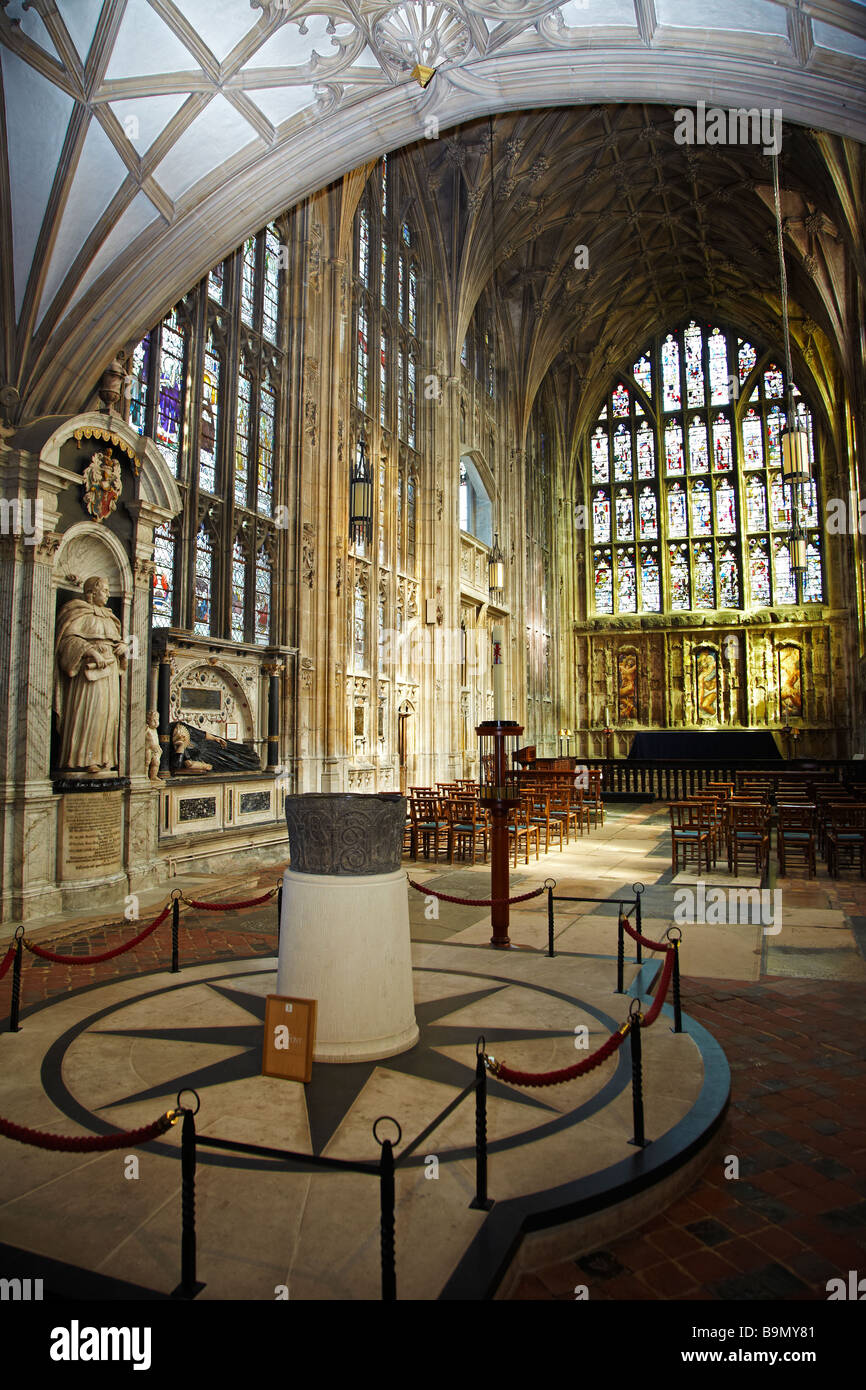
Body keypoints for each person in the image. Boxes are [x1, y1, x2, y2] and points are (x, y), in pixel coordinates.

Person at [54, 576, 127, 775]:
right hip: (87, 676)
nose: (108, 594)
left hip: (109, 674)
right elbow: (66, 642)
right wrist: (90, 651)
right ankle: (83, 758)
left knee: (108, 716)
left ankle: (104, 759)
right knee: (89, 713)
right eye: (104, 590)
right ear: (91, 593)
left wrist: (122, 647)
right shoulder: (77, 612)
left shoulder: (111, 618)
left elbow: (116, 642)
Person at [169, 722, 260, 775]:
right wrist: (205, 766)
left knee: (233, 752)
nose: (183, 737)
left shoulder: (183, 728)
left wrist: (215, 738)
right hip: (208, 758)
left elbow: (201, 734)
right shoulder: (179, 748)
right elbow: (180, 764)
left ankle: (251, 760)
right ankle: (249, 766)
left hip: (210, 745)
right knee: (229, 764)